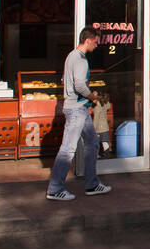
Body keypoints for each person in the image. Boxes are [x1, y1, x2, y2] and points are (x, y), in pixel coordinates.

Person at [46, 27, 112, 200]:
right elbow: (80, 86)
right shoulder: (81, 60)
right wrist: (93, 97)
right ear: (88, 40)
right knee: (68, 149)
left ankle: (92, 184)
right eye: (96, 42)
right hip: (77, 109)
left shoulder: (71, 56)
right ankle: (55, 189)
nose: (97, 46)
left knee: (92, 143)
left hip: (78, 108)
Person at [92, 89, 111, 156]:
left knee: (96, 142)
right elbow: (108, 106)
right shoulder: (105, 104)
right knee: (105, 141)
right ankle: (107, 153)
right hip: (105, 127)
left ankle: (96, 155)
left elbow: (96, 119)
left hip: (98, 128)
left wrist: (93, 129)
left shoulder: (97, 107)